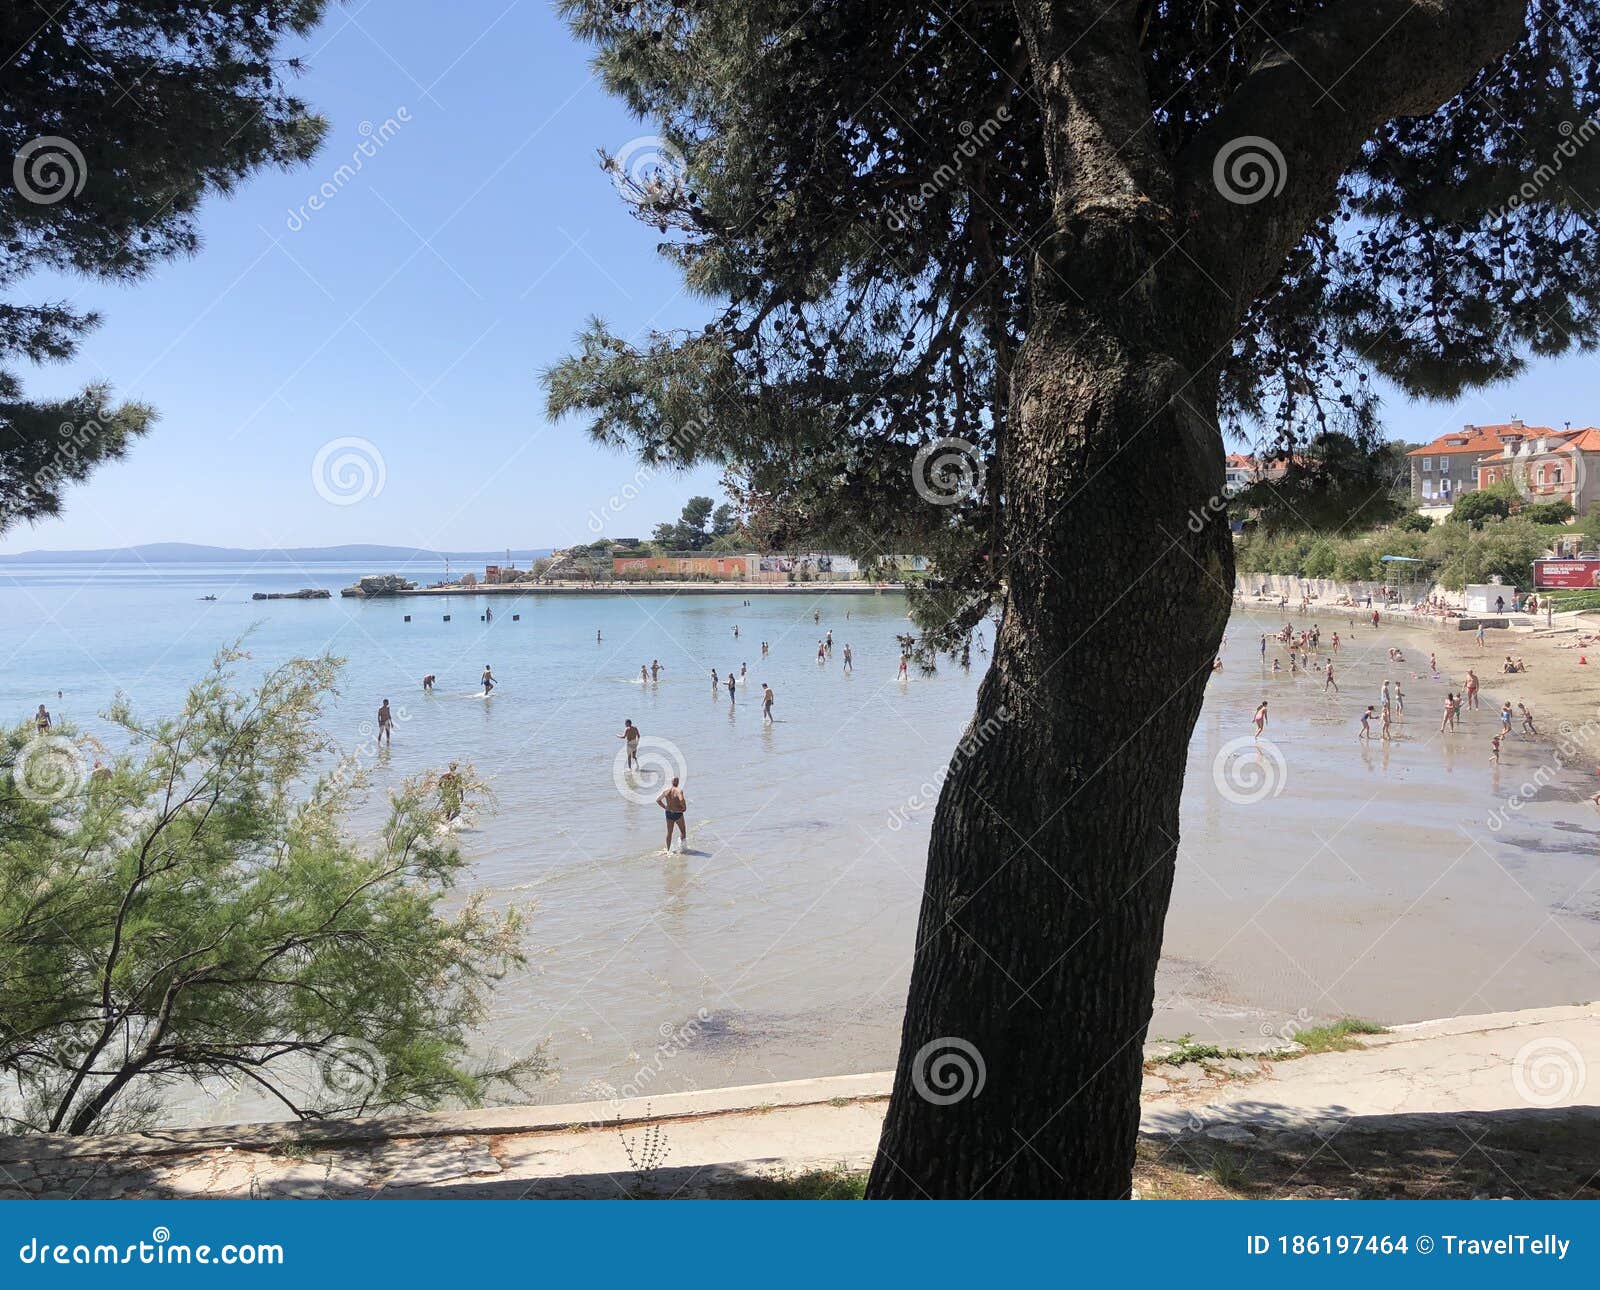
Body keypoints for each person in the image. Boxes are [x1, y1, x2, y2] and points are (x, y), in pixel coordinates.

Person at [657, 777, 688, 852]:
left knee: (669, 832)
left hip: (668, 813)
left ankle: (668, 850)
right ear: (678, 782)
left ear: (672, 782)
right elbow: (682, 800)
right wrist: (684, 808)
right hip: (677, 813)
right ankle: (683, 849)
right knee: (683, 831)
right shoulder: (679, 791)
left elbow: (658, 800)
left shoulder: (666, 791)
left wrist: (665, 807)